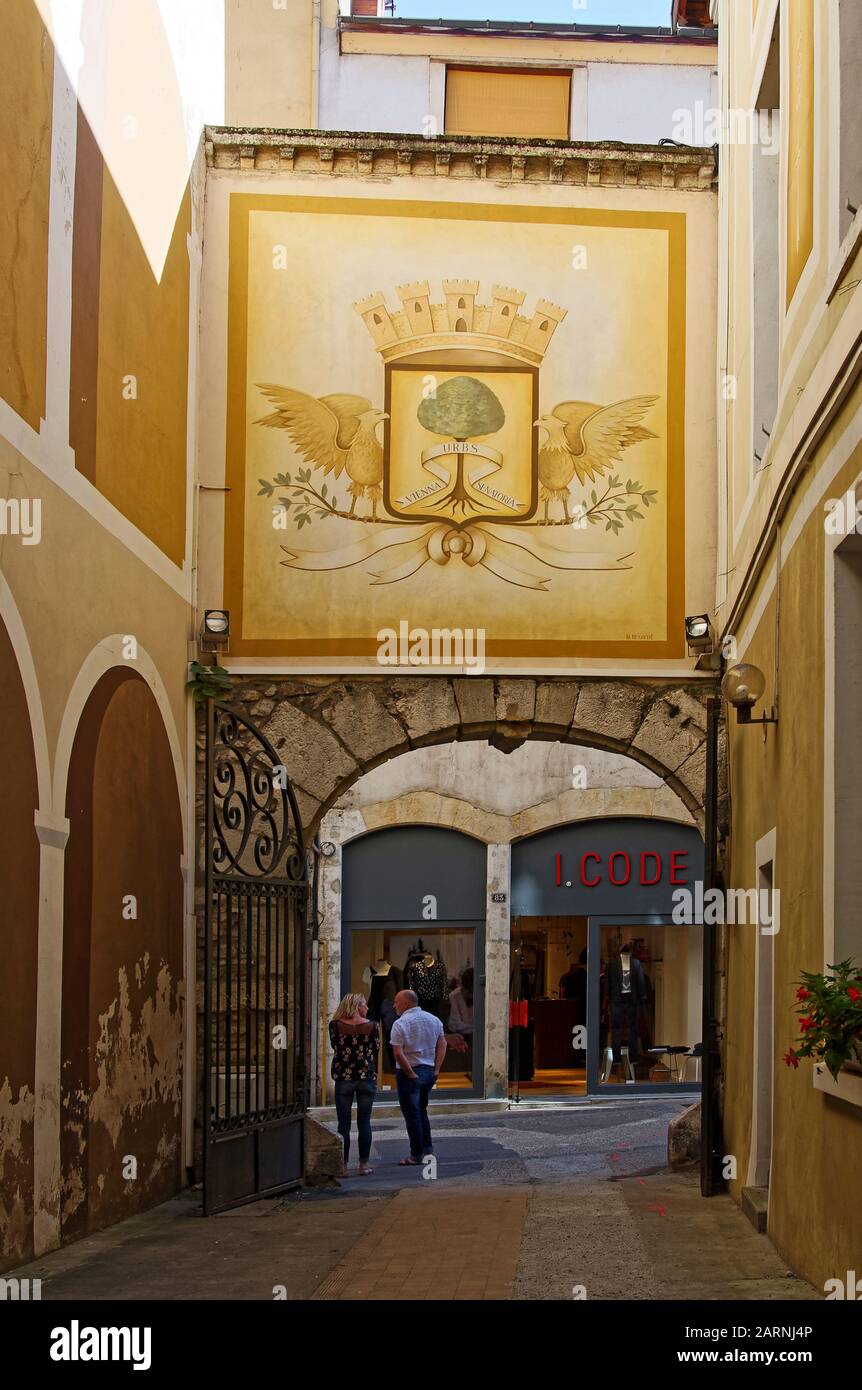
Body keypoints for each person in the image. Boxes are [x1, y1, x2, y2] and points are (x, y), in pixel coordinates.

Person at [389, 988, 446, 1166]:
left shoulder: (400, 1024)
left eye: (396, 1002)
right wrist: (436, 1069)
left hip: (409, 1072)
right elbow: (442, 1044)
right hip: (428, 1070)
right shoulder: (434, 1019)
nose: (394, 1005)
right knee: (421, 1111)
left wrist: (410, 1073)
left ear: (406, 1003)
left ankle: (416, 1154)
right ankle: (428, 1149)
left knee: (412, 1114)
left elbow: (398, 1053)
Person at [329, 992, 379, 1176]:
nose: (367, 1008)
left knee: (344, 1124)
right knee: (364, 1122)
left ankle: (343, 1166)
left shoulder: (335, 1026)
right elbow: (376, 1049)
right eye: (364, 1004)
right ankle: (363, 1165)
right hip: (365, 1077)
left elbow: (335, 1045)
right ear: (357, 1006)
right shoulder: (373, 1026)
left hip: (344, 1077)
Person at [448, 967, 474, 1036]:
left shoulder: (480, 996)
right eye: (468, 992)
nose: (471, 995)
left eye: (472, 992)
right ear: (463, 987)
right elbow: (455, 1025)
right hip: (460, 1036)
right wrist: (475, 1028)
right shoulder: (454, 996)